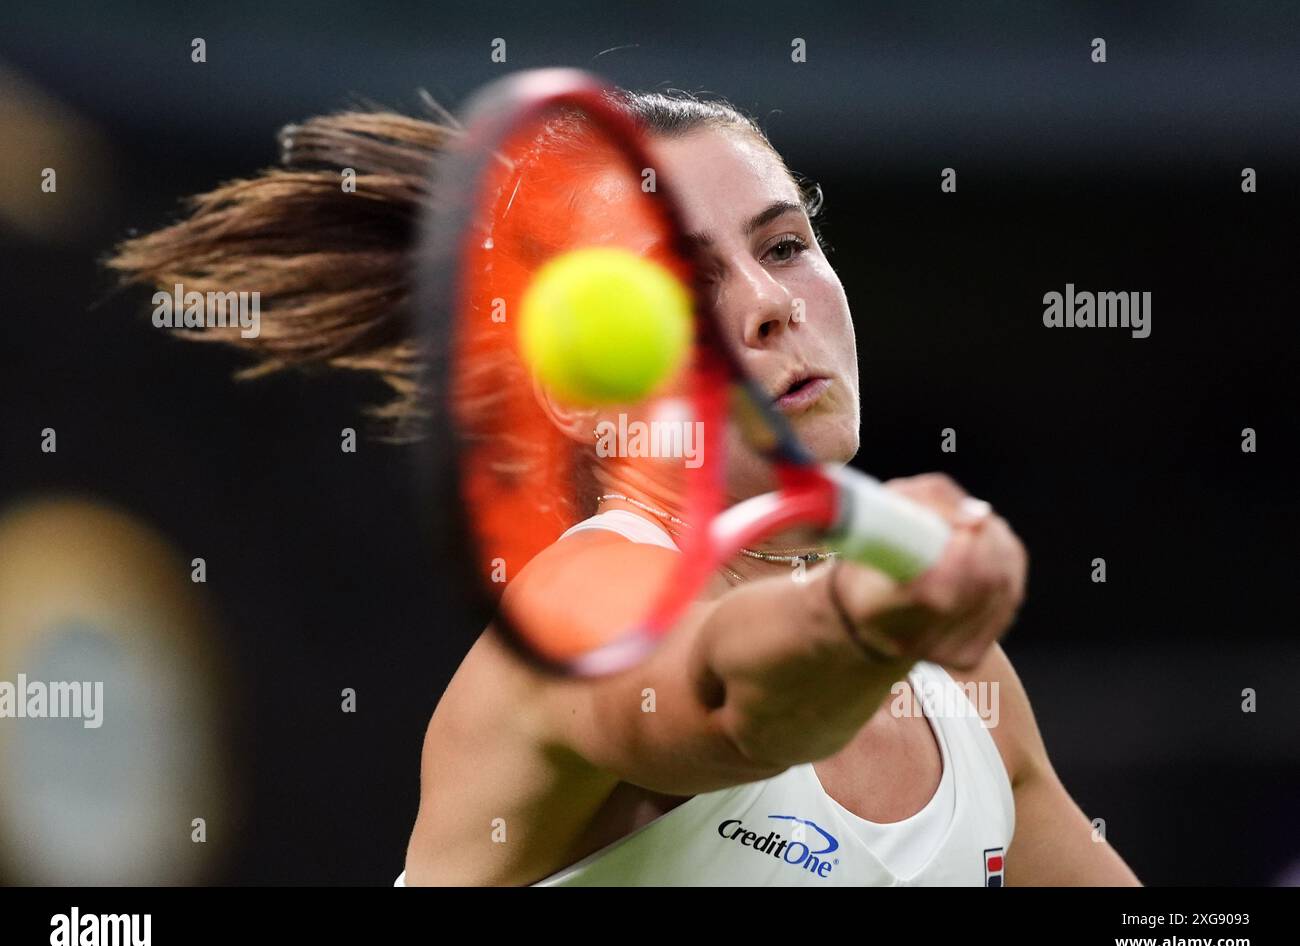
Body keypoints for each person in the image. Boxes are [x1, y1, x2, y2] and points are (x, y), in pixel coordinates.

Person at [111, 86, 1140, 887]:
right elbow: (736, 699)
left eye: (784, 244)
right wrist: (864, 614)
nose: (772, 304)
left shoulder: (964, 688)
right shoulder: (578, 613)